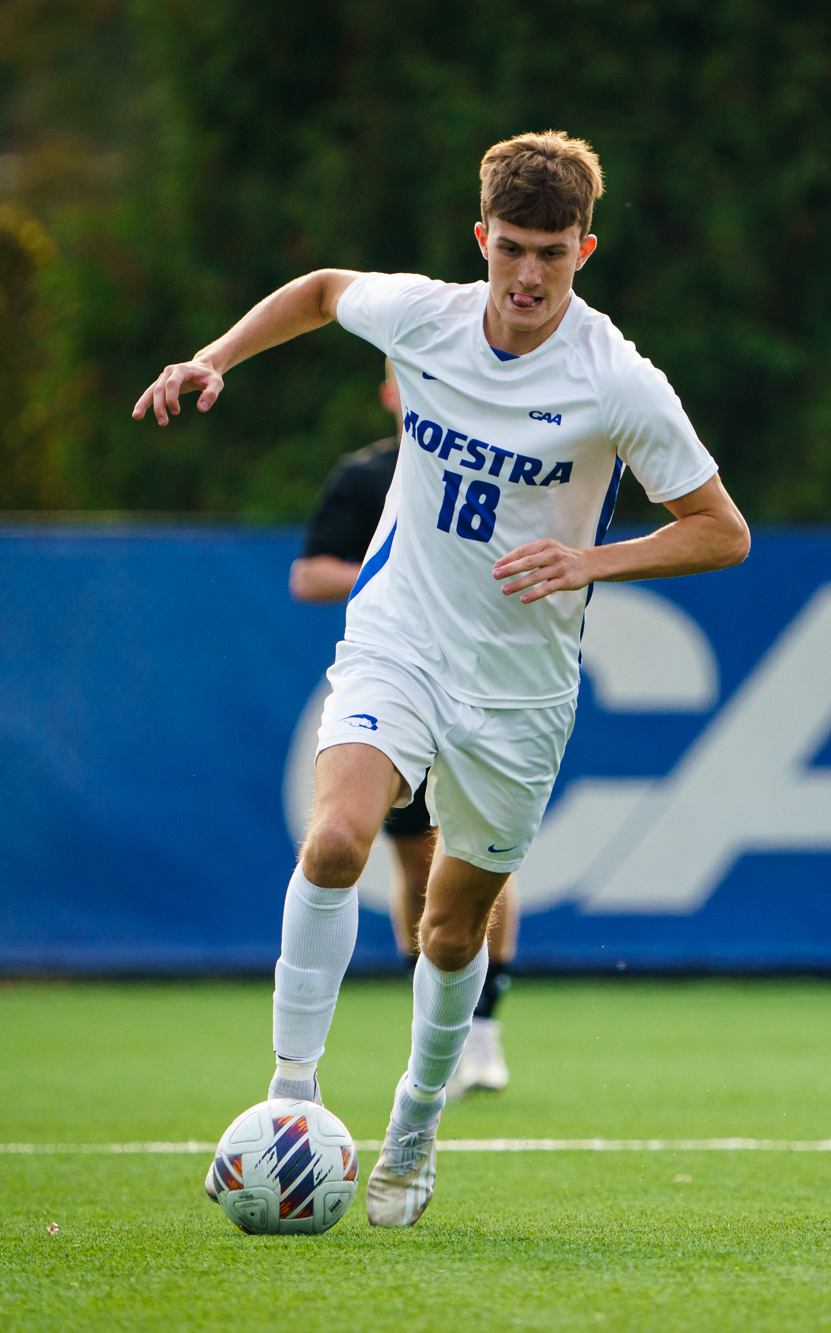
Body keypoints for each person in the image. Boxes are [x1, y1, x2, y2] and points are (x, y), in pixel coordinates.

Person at [136, 130, 750, 1227]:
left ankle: (414, 1127)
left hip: (518, 687)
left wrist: (590, 558)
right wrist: (212, 358)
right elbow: (324, 290)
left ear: (584, 251)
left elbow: (720, 531)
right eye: (509, 248)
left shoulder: (618, 378)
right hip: (399, 635)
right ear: (480, 238)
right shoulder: (424, 315)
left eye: (551, 255)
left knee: (452, 931)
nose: (525, 276)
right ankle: (291, 1101)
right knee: (334, 843)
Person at [291, 361, 519, 1096]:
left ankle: (483, 1035)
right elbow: (310, 574)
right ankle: (425, 1027)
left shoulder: (500, 464)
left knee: (480, 861)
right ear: (390, 391)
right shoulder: (366, 478)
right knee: (414, 868)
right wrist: (395, 570)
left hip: (483, 678)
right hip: (400, 675)